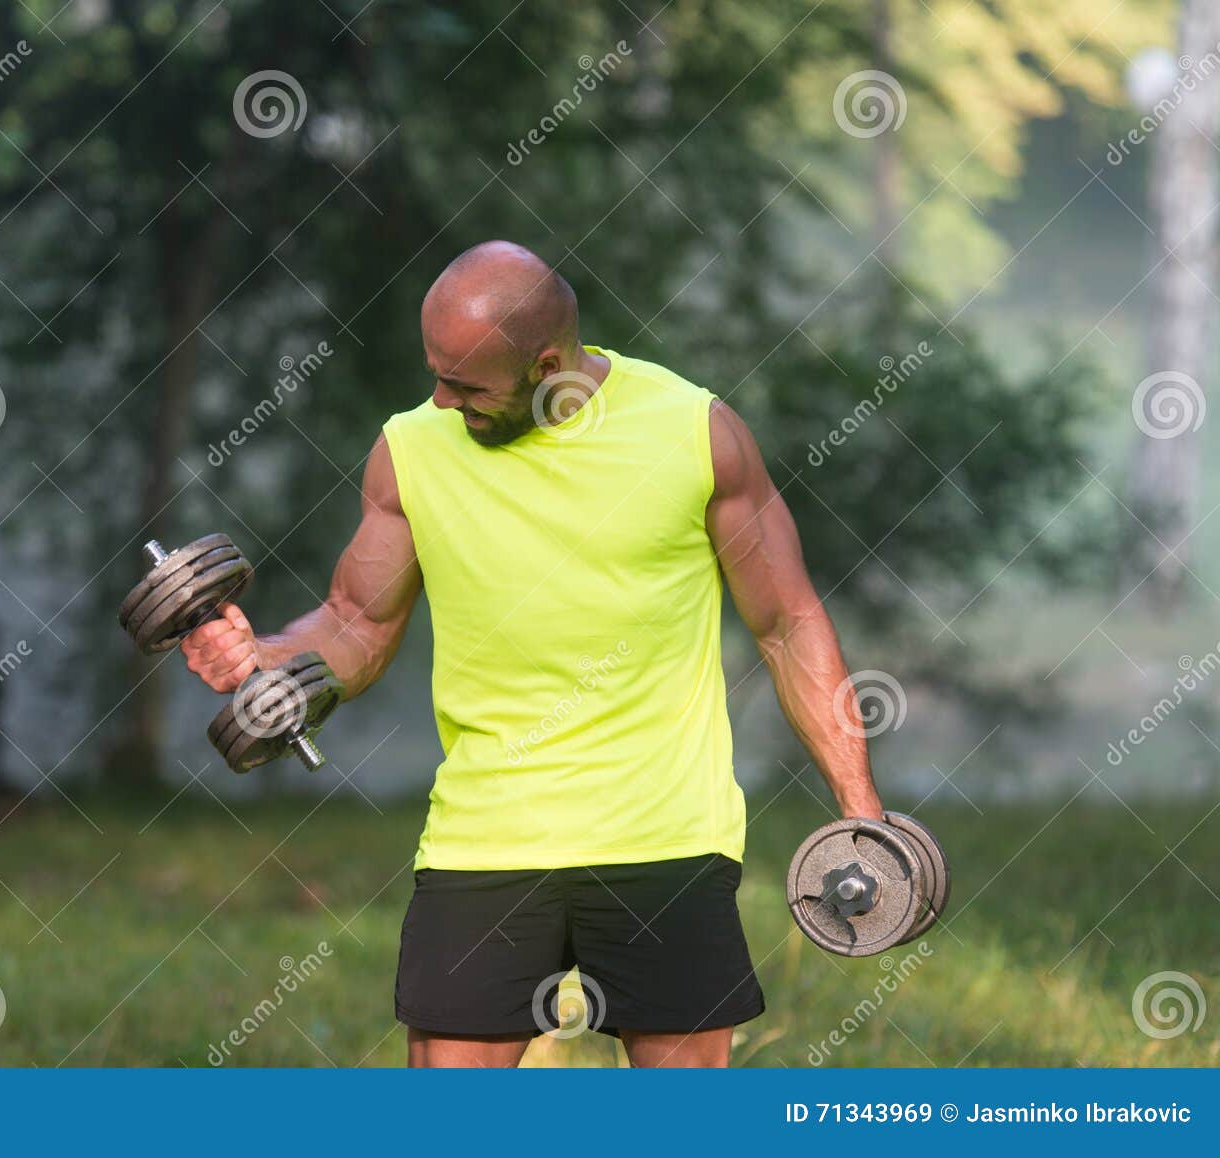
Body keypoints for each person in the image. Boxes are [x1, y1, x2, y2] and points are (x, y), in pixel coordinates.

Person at [182, 240, 885, 1068]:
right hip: (487, 839)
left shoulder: (694, 433)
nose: (441, 401)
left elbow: (787, 621)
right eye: (434, 373)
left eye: (466, 384)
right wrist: (262, 660)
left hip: (664, 836)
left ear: (548, 364)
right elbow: (354, 624)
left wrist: (859, 806)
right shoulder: (411, 451)